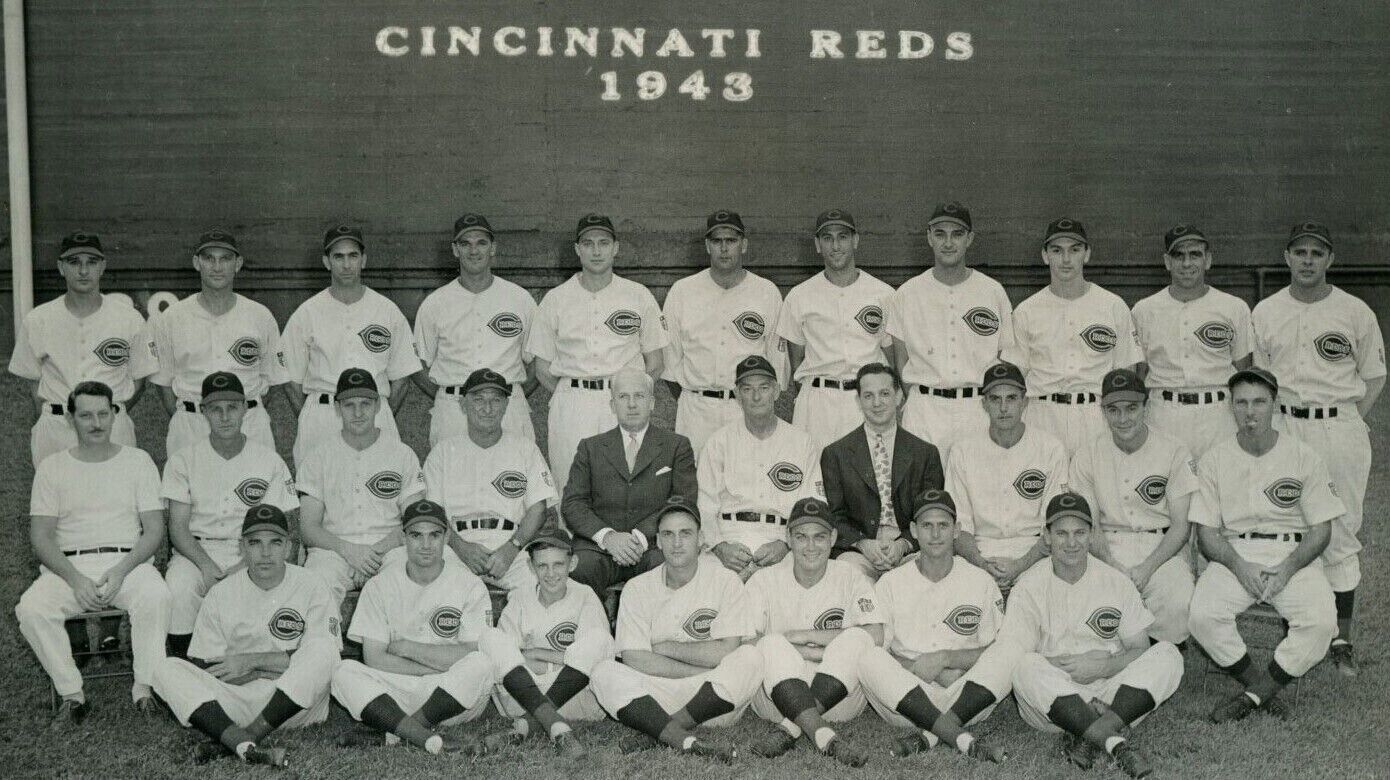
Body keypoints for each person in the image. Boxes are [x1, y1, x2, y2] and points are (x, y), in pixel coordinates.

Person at [1251, 221, 1384, 675]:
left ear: (1330, 259)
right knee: (1290, 520)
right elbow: (1262, 380)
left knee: (1340, 527)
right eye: (1300, 252)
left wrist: (1346, 422)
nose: (1308, 260)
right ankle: (1299, 625)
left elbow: (1374, 376)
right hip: (1287, 423)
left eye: (1316, 252)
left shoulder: (1355, 311)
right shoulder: (1266, 312)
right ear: (1287, 258)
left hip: (1338, 424)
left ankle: (1342, 638)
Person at [1188, 367, 1341, 722]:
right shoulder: (1215, 459)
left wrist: (1287, 569)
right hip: (1236, 554)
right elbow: (1207, 535)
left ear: (1275, 403)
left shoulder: (1304, 455)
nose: (1250, 411)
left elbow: (1321, 530)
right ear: (1231, 407)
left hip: (1293, 555)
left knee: (1320, 623)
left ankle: (1251, 698)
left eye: (1259, 402)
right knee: (1202, 616)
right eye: (1241, 403)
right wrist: (1240, 567)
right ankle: (1262, 689)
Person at [16, 381, 171, 722]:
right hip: (70, 565)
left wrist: (121, 571)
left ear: (115, 414)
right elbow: (41, 538)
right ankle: (72, 694)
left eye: (103, 413)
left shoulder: (138, 460)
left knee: (156, 595)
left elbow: (154, 530)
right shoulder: (52, 467)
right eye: (85, 415)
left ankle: (146, 689)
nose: (96, 423)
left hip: (127, 562)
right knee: (32, 609)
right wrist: (74, 579)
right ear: (70, 420)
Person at [1006, 493, 1183, 779]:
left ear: (1092, 535)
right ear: (1047, 537)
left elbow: (1139, 648)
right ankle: (1114, 740)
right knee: (1026, 667)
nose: (1071, 542)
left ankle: (1089, 733)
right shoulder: (1028, 586)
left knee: (1168, 654)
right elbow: (1017, 658)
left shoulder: (1115, 581)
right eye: (1061, 533)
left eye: (1079, 532)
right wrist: (1072, 664)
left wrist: (1103, 666)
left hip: (1112, 691)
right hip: (1054, 699)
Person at [152, 505, 339, 768]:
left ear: (288, 547)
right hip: (237, 699)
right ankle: (245, 743)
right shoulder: (221, 593)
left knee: (324, 650)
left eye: (275, 543)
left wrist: (250, 661)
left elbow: (321, 658)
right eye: (255, 543)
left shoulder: (314, 585)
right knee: (165, 667)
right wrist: (274, 665)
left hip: (298, 708)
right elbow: (208, 668)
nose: (265, 553)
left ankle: (238, 739)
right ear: (242, 548)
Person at [589, 498, 760, 762]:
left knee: (751, 658)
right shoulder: (637, 587)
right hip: (659, 693)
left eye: (685, 533)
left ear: (701, 538)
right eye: (668, 534)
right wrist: (699, 668)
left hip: (714, 700)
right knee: (603, 672)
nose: (676, 542)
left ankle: (658, 731)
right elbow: (635, 658)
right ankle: (687, 741)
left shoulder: (725, 580)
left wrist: (668, 648)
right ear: (657, 541)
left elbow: (727, 651)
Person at [857, 489, 1009, 763]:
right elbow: (882, 651)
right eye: (927, 525)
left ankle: (930, 735)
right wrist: (918, 668)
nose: (935, 534)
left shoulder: (981, 581)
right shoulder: (891, 583)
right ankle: (958, 736)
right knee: (867, 656)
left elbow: (996, 648)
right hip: (909, 697)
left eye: (943, 525)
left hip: (966, 693)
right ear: (913, 530)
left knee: (1012, 652)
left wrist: (947, 659)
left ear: (956, 530)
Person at [331, 500, 494, 755]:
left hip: (449, 697)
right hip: (397, 690)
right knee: (343, 671)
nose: (426, 545)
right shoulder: (380, 586)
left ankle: (395, 732)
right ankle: (421, 736)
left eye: (435, 535)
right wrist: (430, 666)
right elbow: (374, 659)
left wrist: (407, 647)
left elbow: (473, 653)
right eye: (416, 535)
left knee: (481, 664)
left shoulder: (470, 585)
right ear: (403, 537)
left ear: (447, 537)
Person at [526, 213, 668, 498]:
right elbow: (542, 367)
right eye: (588, 243)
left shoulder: (638, 295)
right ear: (577, 249)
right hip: (572, 403)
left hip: (621, 402)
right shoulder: (556, 298)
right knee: (571, 482)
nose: (596, 250)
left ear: (616, 247)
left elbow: (656, 363)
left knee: (626, 484)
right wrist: (570, 392)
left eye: (604, 243)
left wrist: (630, 395)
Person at [163, 371, 298, 659]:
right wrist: (206, 565)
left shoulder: (268, 460)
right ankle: (187, 667)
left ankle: (259, 659)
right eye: (216, 409)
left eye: (232, 408)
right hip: (196, 551)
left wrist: (243, 566)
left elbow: (282, 529)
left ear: (245, 410)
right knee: (179, 590)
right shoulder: (183, 460)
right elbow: (177, 528)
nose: (225, 417)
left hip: (253, 549)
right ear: (203, 412)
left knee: (266, 589)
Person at [744, 498, 878, 767]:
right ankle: (824, 736)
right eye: (801, 537)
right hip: (776, 696)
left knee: (858, 638)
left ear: (833, 538)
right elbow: (747, 640)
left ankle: (791, 728)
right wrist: (803, 649)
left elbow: (875, 634)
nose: (810, 546)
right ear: (788, 538)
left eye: (819, 537)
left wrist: (801, 636)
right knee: (770, 644)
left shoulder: (851, 576)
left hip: (839, 696)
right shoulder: (764, 579)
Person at [1067, 369, 1196, 645]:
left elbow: (1181, 526)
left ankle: (1161, 662)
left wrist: (1147, 569)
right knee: (1096, 607)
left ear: (1145, 407)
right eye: (1114, 410)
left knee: (1177, 602)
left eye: (1131, 408)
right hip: (1108, 548)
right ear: (1103, 411)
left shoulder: (1174, 450)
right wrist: (1111, 565)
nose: (1123, 418)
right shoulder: (1087, 454)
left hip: (1162, 548)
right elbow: (1088, 525)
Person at [9, 231, 157, 468]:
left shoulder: (128, 318)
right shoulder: (39, 319)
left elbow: (139, 378)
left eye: (91, 262)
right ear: (60, 267)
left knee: (117, 500)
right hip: (58, 426)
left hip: (112, 426)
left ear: (103, 267)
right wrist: (50, 417)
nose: (83, 270)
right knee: (57, 501)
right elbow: (34, 383)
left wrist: (113, 411)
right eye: (74, 262)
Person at [281, 224, 421, 465]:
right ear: (326, 262)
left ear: (363, 260)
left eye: (353, 256)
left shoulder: (387, 310)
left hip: (373, 413)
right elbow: (291, 380)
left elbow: (402, 378)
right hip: (322, 415)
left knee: (378, 497)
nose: (346, 265)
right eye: (338, 256)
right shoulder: (307, 313)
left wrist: (376, 410)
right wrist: (311, 414)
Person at [1004, 218, 1142, 456]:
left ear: (1087, 254)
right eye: (1057, 250)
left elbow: (1126, 372)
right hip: (1042, 414)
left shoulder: (1112, 306)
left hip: (1095, 415)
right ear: (1045, 256)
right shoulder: (1027, 310)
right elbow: (1015, 376)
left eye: (1074, 250)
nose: (1066, 259)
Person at [886, 203, 1014, 459]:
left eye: (956, 234)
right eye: (940, 233)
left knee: (977, 492)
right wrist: (918, 399)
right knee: (924, 494)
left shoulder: (992, 292)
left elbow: (1006, 355)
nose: (948, 242)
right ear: (929, 237)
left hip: (977, 408)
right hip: (926, 410)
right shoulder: (908, 294)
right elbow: (899, 358)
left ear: (969, 239)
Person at [149, 229, 287, 455]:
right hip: (192, 425)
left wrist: (246, 408)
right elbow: (163, 381)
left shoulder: (259, 315)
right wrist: (186, 415)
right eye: (208, 258)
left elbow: (273, 376)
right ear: (196, 262)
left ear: (238, 263)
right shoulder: (172, 317)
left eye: (225, 258)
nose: (217, 266)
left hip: (249, 423)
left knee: (253, 488)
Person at [477, 530, 613, 757]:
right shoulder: (520, 597)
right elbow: (507, 657)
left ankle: (525, 726)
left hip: (575, 696)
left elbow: (593, 656)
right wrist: (559, 659)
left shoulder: (585, 595)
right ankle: (555, 726)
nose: (551, 574)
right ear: (531, 567)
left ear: (573, 563)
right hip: (523, 693)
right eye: (542, 566)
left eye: (558, 564)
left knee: (601, 640)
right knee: (490, 638)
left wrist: (535, 653)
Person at [298, 368, 426, 609]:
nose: (358, 412)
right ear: (337, 408)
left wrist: (372, 554)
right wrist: (349, 551)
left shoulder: (401, 454)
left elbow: (415, 521)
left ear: (378, 406)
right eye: (349, 405)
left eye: (365, 404)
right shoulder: (318, 456)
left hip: (388, 550)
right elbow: (308, 528)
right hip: (333, 551)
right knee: (315, 583)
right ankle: (324, 647)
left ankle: (395, 647)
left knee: (406, 577)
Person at [661, 210, 785, 455]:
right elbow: (670, 362)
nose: (724, 248)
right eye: (717, 241)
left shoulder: (766, 292)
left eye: (731, 240)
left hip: (745, 408)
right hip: (696, 411)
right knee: (696, 486)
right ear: (708, 246)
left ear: (744, 244)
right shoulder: (682, 291)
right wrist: (697, 395)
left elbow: (776, 364)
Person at [563, 368, 697, 593]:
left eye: (639, 396)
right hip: (598, 548)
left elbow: (682, 502)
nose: (632, 404)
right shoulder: (590, 447)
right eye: (623, 397)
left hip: (652, 546)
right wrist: (608, 537)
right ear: (612, 405)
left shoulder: (676, 446)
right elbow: (572, 504)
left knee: (667, 569)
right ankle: (593, 626)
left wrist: (638, 538)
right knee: (579, 571)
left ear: (652, 403)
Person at [424, 368, 554, 591]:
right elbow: (431, 514)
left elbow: (538, 509)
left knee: (540, 588)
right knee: (438, 594)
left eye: (496, 400)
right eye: (478, 400)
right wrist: (461, 547)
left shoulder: (525, 448)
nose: (487, 408)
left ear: (506, 405)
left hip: (511, 545)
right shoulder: (443, 452)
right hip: (457, 545)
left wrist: (511, 549)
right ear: (463, 405)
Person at [413, 213, 539, 445]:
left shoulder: (520, 299)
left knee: (514, 477)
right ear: (455, 249)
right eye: (465, 244)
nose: (474, 251)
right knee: (452, 480)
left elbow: (537, 361)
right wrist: (454, 396)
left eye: (481, 243)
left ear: (493, 248)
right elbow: (418, 364)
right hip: (453, 411)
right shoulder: (435, 303)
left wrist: (507, 393)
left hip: (508, 409)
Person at [1131, 225, 1253, 458]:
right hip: (1164, 413)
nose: (1187, 264)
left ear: (1207, 260)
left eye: (1195, 254)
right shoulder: (1145, 310)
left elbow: (1243, 372)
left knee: (1220, 489)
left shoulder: (1234, 307)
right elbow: (1139, 373)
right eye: (1179, 255)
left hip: (1218, 415)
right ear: (1167, 261)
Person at [777, 209, 895, 449]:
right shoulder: (800, 296)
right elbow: (796, 359)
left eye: (842, 237)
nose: (835, 245)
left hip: (865, 400)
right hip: (818, 403)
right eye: (828, 238)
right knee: (816, 478)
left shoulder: (884, 294)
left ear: (855, 240)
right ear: (818, 245)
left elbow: (892, 360)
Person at [699, 355, 824, 580]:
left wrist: (786, 544)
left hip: (780, 540)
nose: (756, 397)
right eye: (747, 389)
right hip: (729, 538)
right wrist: (719, 547)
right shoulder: (718, 442)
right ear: (737, 395)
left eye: (764, 388)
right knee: (709, 591)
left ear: (776, 391)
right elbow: (704, 505)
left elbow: (813, 504)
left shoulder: (801, 442)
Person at [948, 362, 1068, 591]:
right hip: (980, 552)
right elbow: (960, 528)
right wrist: (982, 564)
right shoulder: (962, 451)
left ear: (1025, 402)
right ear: (984, 404)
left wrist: (1021, 565)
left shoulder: (1050, 449)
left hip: (1034, 553)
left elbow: (1055, 525)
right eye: (995, 399)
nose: (1004, 407)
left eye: (1012, 398)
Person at [821, 362, 944, 580]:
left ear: (898, 397)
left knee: (918, 578)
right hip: (858, 552)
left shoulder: (925, 453)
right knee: (847, 576)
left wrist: (904, 544)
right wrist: (863, 543)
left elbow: (931, 513)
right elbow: (833, 515)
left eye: (885, 394)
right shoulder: (835, 454)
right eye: (868, 396)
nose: (877, 403)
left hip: (910, 551)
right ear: (858, 401)